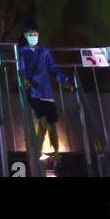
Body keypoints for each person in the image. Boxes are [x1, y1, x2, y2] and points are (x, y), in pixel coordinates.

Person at [18, 26, 70, 158]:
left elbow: (54, 68)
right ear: (25, 35)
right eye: (30, 34)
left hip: (47, 93)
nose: (33, 36)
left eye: (35, 34)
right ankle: (37, 153)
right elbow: (22, 69)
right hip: (34, 92)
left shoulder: (44, 52)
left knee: (52, 124)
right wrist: (25, 81)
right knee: (42, 122)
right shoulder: (22, 52)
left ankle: (57, 155)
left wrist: (63, 80)